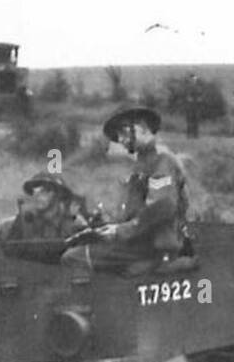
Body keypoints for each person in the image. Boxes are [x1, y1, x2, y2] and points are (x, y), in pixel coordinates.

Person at [62, 106, 190, 272]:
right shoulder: (144, 163)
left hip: (151, 247)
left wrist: (118, 231)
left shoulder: (161, 160)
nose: (121, 140)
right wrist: (106, 226)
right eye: (118, 136)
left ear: (143, 128)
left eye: (123, 132)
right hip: (140, 242)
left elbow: (161, 207)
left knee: (72, 257)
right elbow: (137, 212)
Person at [5, 172, 90, 241]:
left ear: (58, 195)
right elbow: (10, 249)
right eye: (34, 191)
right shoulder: (25, 219)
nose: (38, 196)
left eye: (45, 191)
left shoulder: (74, 221)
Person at [185, 73, 202, 138]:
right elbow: (187, 97)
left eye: (194, 79)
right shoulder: (188, 87)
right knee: (189, 121)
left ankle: (196, 135)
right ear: (190, 80)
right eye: (192, 79)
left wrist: (199, 99)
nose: (193, 81)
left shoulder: (198, 87)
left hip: (196, 106)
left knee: (196, 121)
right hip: (189, 106)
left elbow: (200, 96)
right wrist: (189, 99)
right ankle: (189, 135)